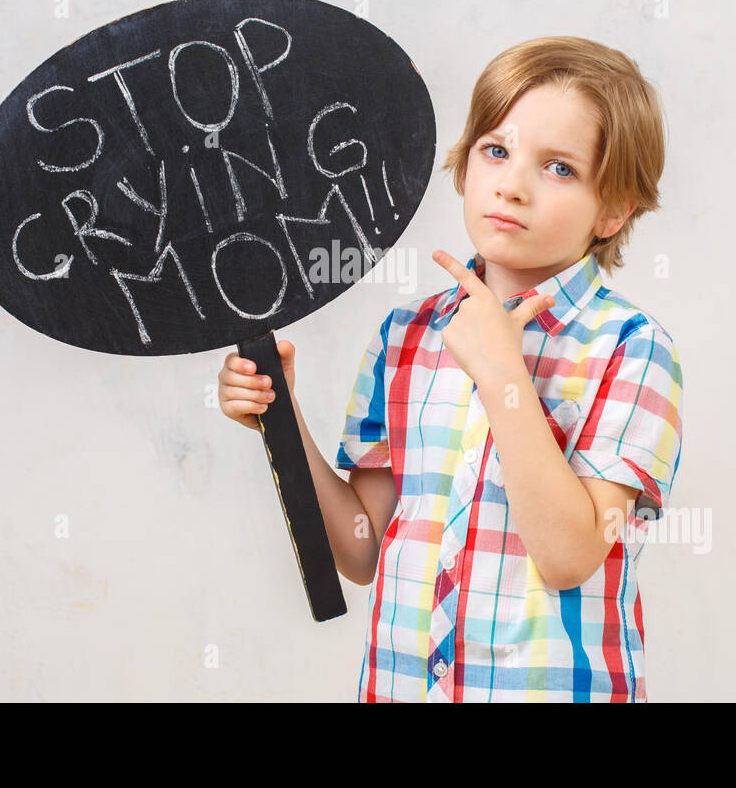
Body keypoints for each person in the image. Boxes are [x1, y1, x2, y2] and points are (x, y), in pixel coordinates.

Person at [218, 36, 684, 702]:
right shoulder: (406, 337)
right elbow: (360, 549)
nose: (513, 186)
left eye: (558, 168)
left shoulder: (631, 347)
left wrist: (503, 377)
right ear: (466, 164)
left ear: (613, 209)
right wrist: (280, 416)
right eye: (497, 151)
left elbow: (569, 556)